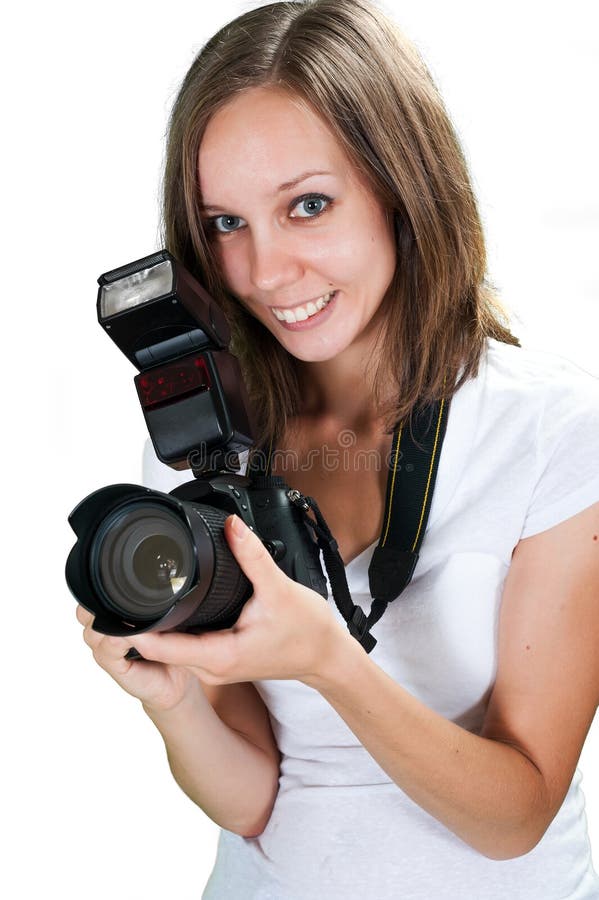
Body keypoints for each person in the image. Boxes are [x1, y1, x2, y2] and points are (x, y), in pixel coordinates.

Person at [76, 1, 599, 897]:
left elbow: (514, 816)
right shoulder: (204, 445)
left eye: (306, 205)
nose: (266, 273)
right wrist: (171, 702)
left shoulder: (550, 428)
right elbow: (251, 800)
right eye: (224, 224)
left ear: (401, 186)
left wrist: (328, 659)